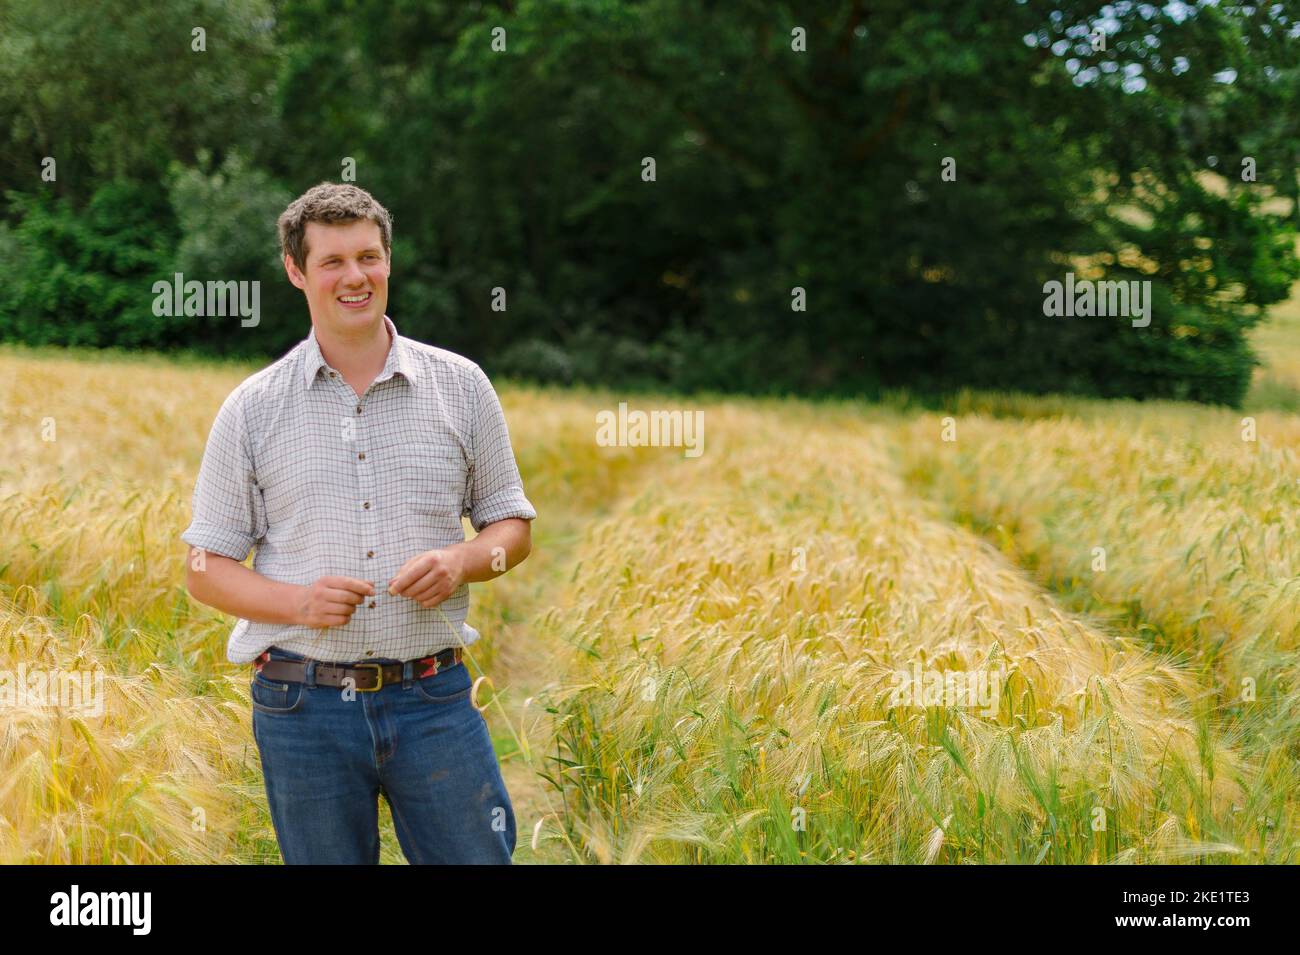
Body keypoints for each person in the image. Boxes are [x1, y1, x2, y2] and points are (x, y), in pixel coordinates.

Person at [181, 182, 535, 864]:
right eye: (333, 261)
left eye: (368, 257)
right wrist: (299, 603)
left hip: (433, 696)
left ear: (388, 261)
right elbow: (204, 569)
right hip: (300, 706)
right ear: (296, 271)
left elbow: (511, 527)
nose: (355, 277)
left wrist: (462, 561)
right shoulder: (252, 409)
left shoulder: (461, 386)